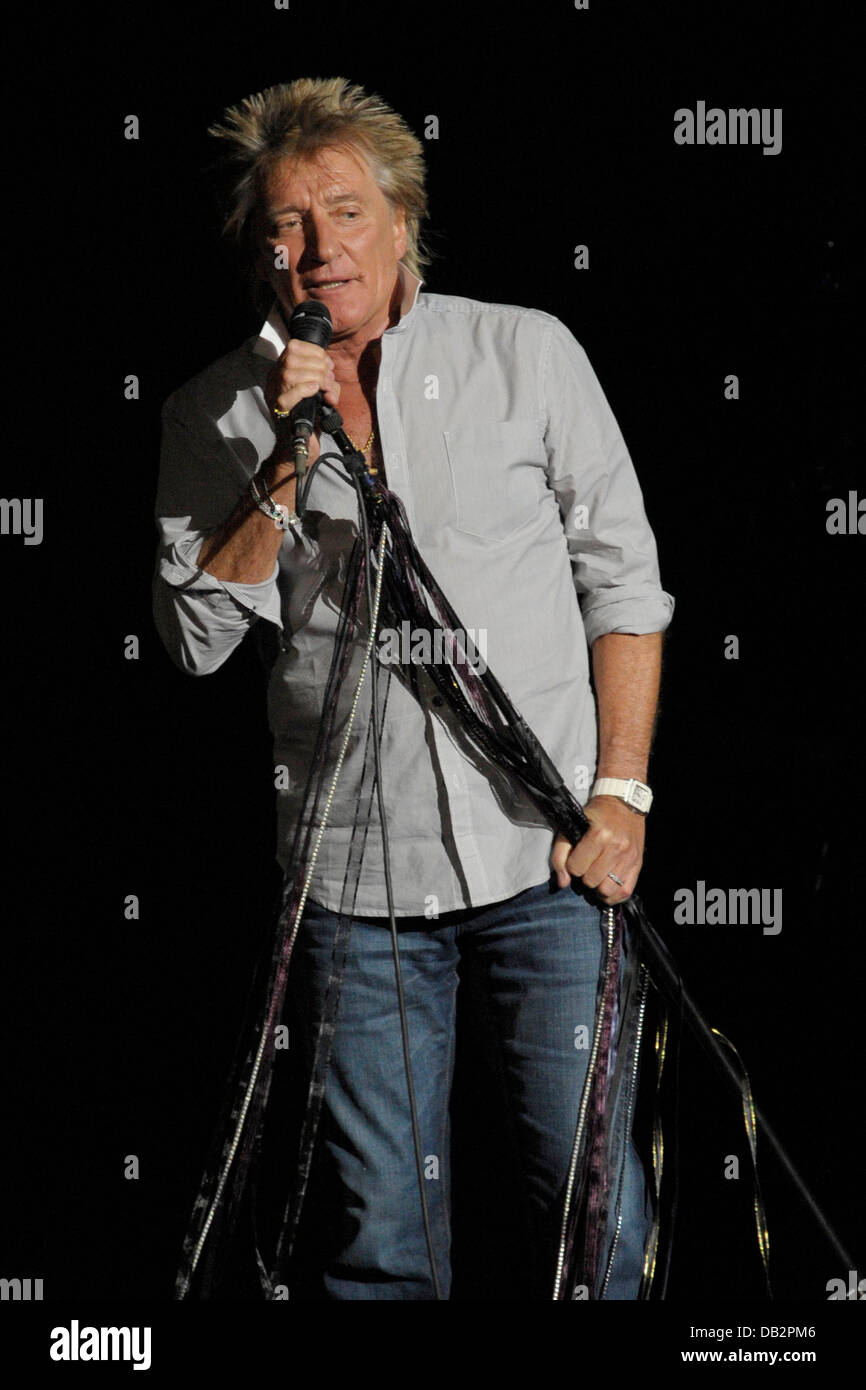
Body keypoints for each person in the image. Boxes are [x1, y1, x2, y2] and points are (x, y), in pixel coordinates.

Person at [153, 77, 675, 1301]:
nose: (320, 249)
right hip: (351, 883)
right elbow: (192, 638)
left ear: (401, 223)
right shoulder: (209, 412)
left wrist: (621, 795)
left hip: (543, 859)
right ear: (259, 248)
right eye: (288, 223)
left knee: (593, 1218)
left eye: (345, 211)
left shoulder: (524, 351)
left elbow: (626, 586)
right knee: (379, 1236)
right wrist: (286, 461)